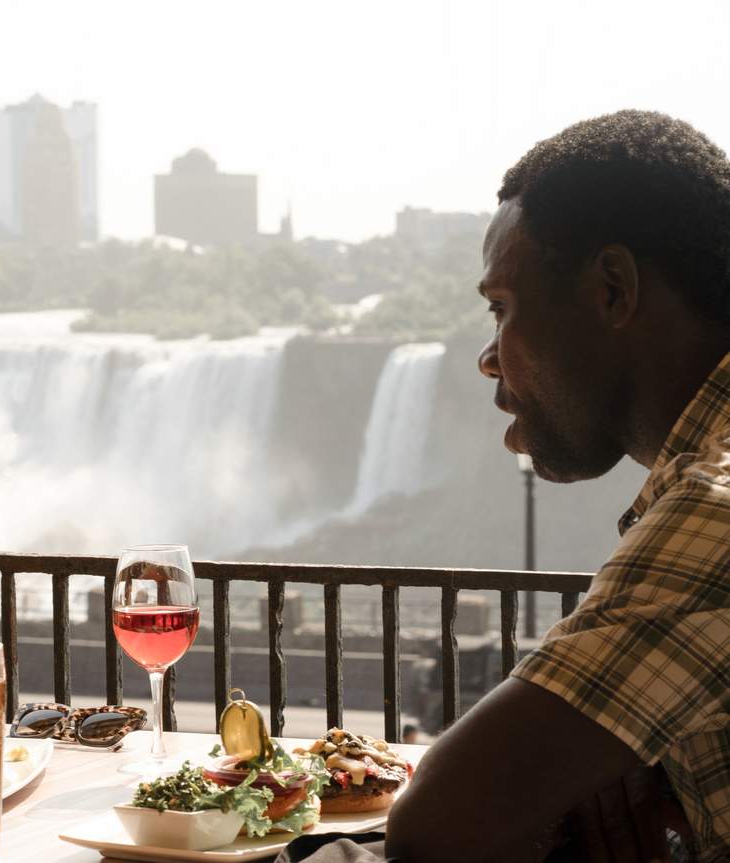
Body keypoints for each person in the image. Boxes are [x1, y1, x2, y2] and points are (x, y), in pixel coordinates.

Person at [289, 111, 729, 863]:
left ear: (612, 290)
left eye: (501, 309)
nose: (488, 358)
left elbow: (443, 821)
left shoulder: (715, 510)